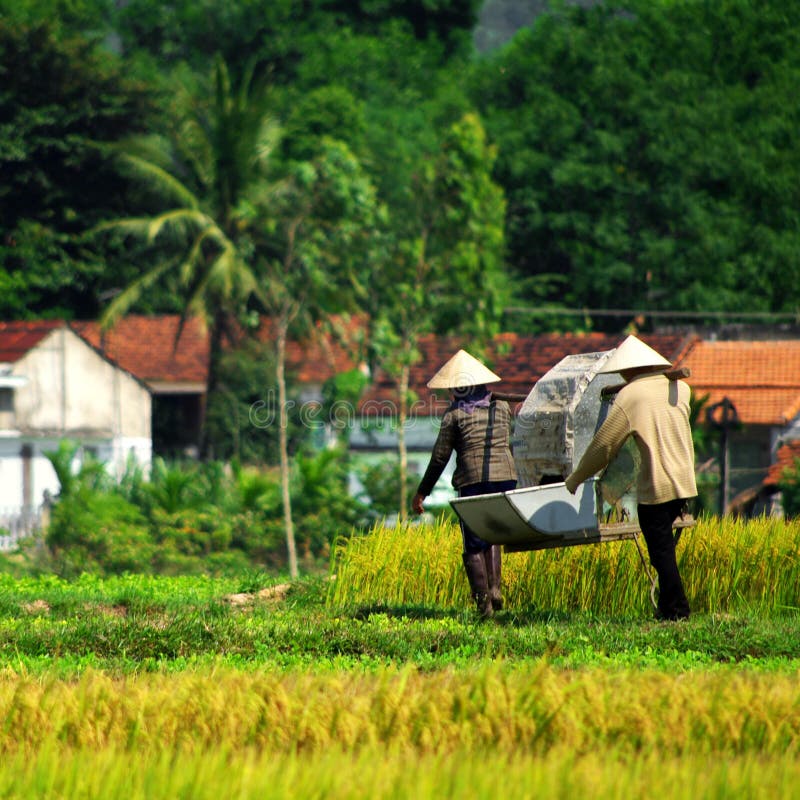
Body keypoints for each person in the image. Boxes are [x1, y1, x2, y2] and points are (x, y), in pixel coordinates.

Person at [564, 335, 697, 621]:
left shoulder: (630, 396)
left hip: (658, 485)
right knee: (663, 549)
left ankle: (678, 611)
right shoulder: (680, 389)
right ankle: (667, 609)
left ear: (629, 370)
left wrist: (576, 477)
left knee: (661, 552)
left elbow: (605, 446)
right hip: (683, 481)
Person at [411, 349, 518, 618]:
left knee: (473, 543)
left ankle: (484, 606)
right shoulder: (503, 407)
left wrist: (422, 492)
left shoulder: (454, 416)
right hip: (506, 477)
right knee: (492, 534)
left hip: (473, 481)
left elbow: (439, 458)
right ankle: (494, 589)